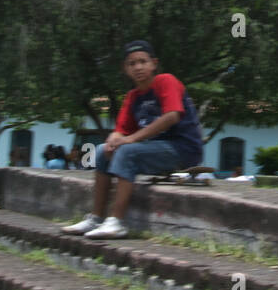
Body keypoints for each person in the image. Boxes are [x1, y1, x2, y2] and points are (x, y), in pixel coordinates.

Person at [61, 40, 204, 239]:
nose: (138, 67)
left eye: (143, 61)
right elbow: (120, 130)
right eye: (132, 63)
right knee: (102, 151)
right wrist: (114, 140)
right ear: (125, 68)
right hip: (154, 148)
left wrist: (130, 140)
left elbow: (172, 116)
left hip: (183, 149)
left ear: (154, 63)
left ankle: (117, 222)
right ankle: (96, 218)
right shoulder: (133, 97)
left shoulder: (165, 81)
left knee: (127, 151)